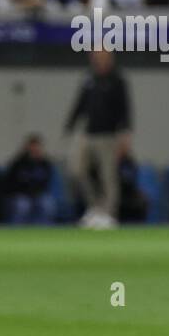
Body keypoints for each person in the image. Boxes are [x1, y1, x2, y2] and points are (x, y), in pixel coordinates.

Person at [64, 46, 131, 229]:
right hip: (88, 133)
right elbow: (81, 102)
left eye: (101, 56)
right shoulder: (89, 78)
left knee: (108, 176)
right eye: (95, 56)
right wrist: (70, 124)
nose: (97, 59)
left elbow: (125, 109)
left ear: (109, 58)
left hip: (108, 135)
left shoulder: (117, 80)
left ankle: (109, 214)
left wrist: (125, 134)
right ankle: (94, 208)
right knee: (77, 170)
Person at [5, 134, 57, 224]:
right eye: (32, 146)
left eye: (37, 147)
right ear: (27, 147)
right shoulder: (18, 163)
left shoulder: (45, 164)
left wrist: (35, 192)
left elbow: (45, 183)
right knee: (22, 205)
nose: (34, 149)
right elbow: (10, 182)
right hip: (21, 194)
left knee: (47, 204)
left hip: (38, 194)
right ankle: (16, 231)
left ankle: (44, 231)